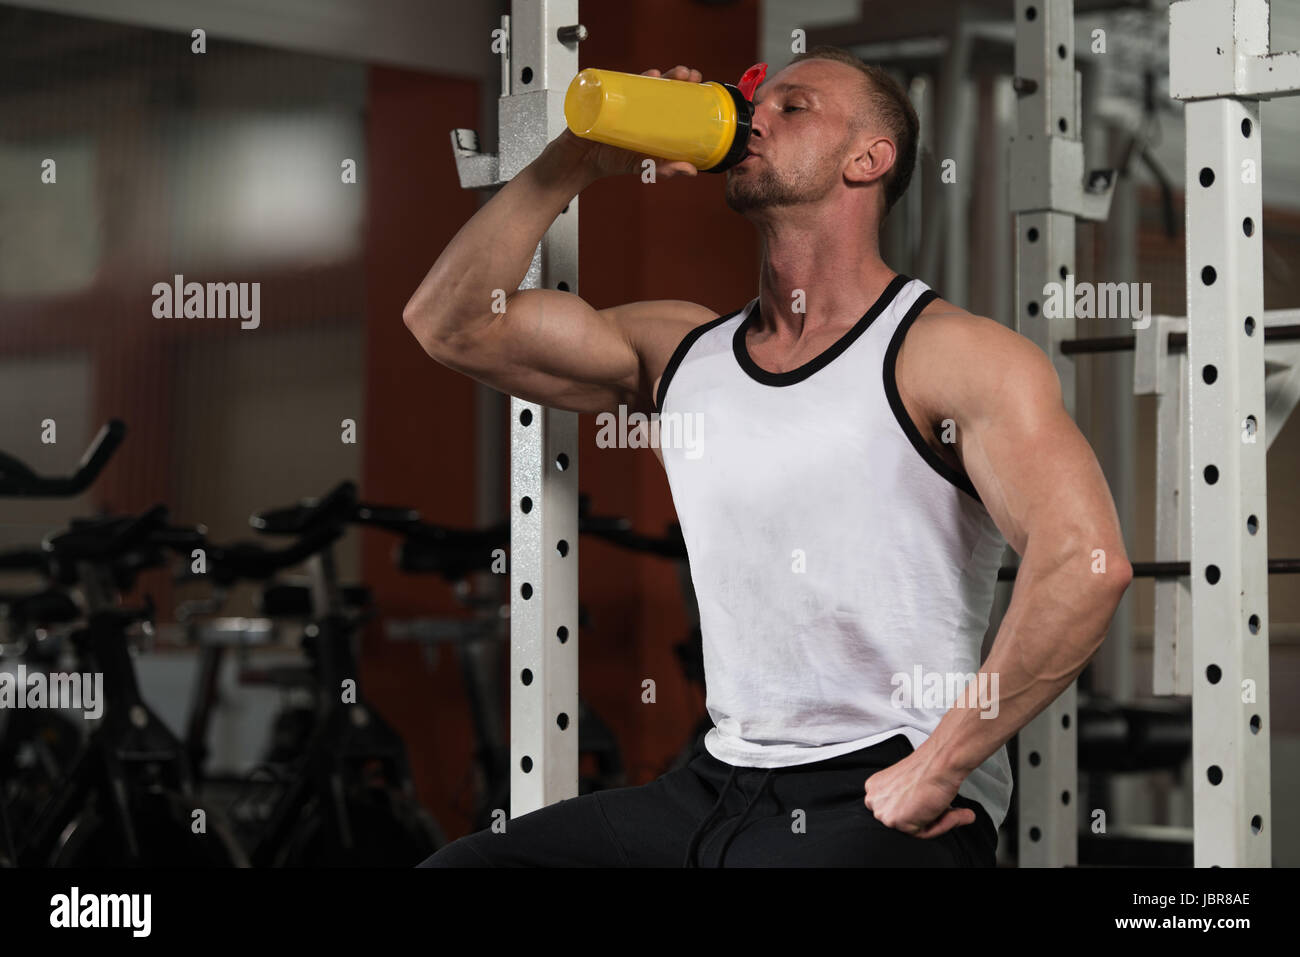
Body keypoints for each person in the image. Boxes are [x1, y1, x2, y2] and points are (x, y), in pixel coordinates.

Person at [401, 46, 1132, 867]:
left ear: (869, 159)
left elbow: (1086, 561)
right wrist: (576, 158)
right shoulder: (680, 351)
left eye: (794, 107)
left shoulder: (953, 356)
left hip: (883, 783)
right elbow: (450, 323)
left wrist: (945, 761)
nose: (755, 117)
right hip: (720, 779)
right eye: (756, 102)